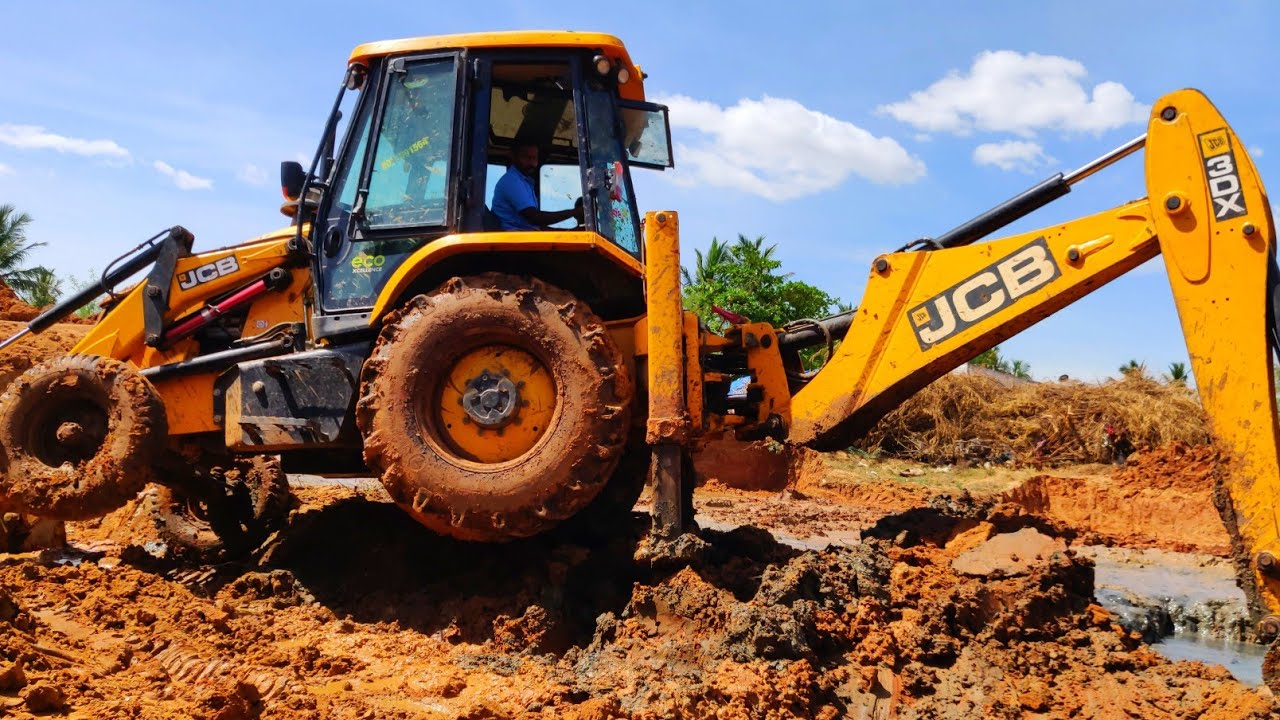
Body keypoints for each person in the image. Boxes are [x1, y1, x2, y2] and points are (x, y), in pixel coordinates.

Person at [491, 138, 584, 230]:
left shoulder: (525, 182)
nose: (531, 163)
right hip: (515, 237)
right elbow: (535, 218)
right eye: (526, 157)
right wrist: (575, 212)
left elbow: (537, 226)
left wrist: (570, 232)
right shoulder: (512, 181)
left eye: (534, 158)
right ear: (514, 157)